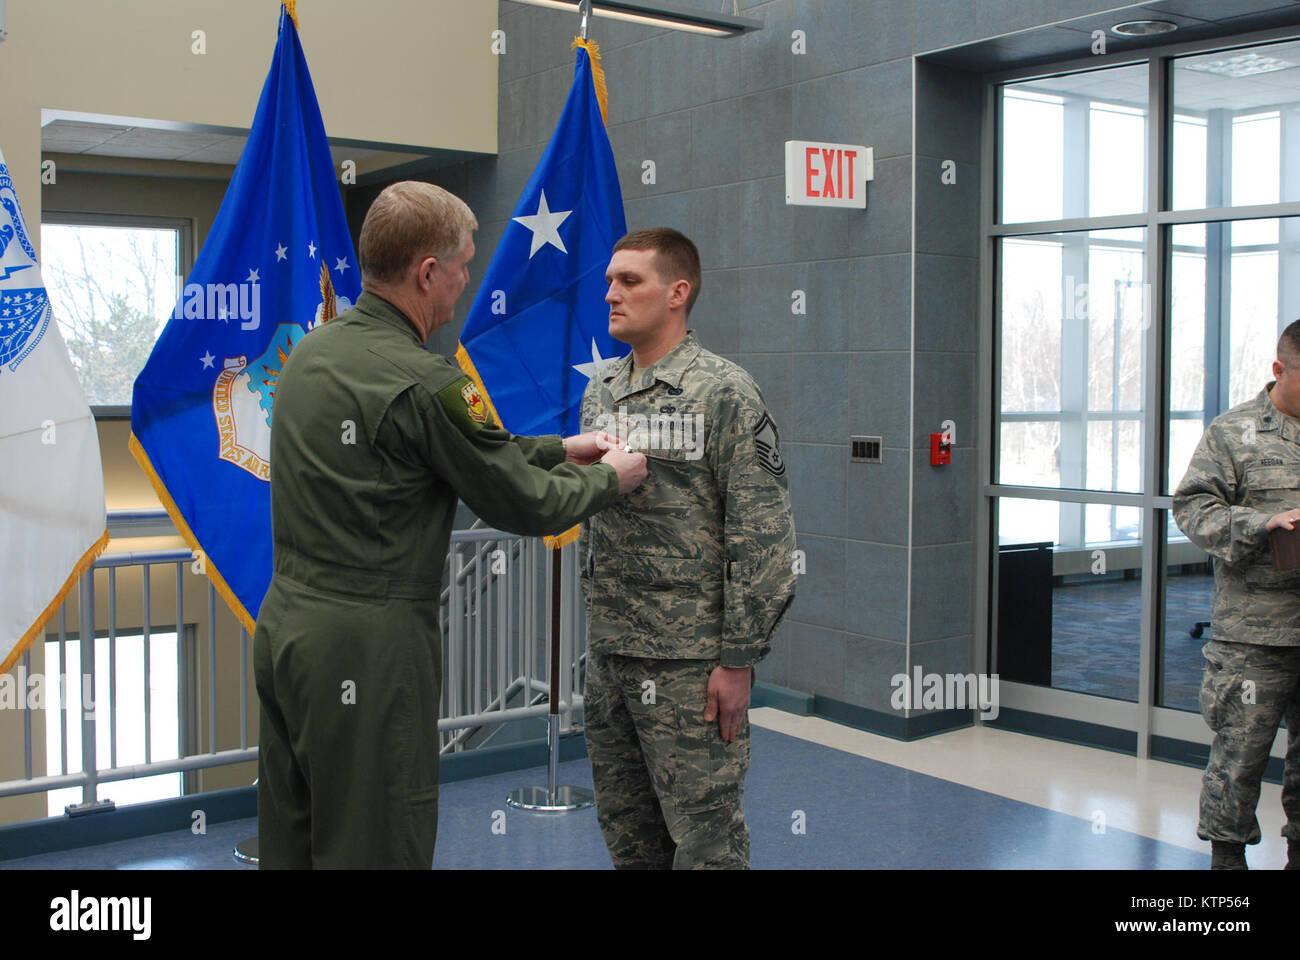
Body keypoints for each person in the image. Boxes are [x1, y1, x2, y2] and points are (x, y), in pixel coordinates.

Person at [253, 181, 647, 868]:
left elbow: (429, 454)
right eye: (463, 264)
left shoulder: (312, 353)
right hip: (370, 643)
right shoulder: (424, 380)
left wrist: (560, 448)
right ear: (426, 272)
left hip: (290, 626)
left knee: (297, 837)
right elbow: (525, 502)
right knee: (376, 840)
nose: (466, 280)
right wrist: (611, 478)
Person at [578, 227, 796, 869]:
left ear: (678, 292)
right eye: (610, 280)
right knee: (630, 837)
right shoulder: (603, 390)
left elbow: (763, 536)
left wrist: (738, 659)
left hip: (690, 667)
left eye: (630, 281)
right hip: (611, 655)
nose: (611, 293)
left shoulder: (723, 392)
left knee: (705, 845)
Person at [1172, 319, 1300, 870]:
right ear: (1278, 370)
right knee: (1240, 757)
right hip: (1255, 634)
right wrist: (1262, 524)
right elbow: (1192, 509)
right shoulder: (1234, 433)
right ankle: (1227, 867)